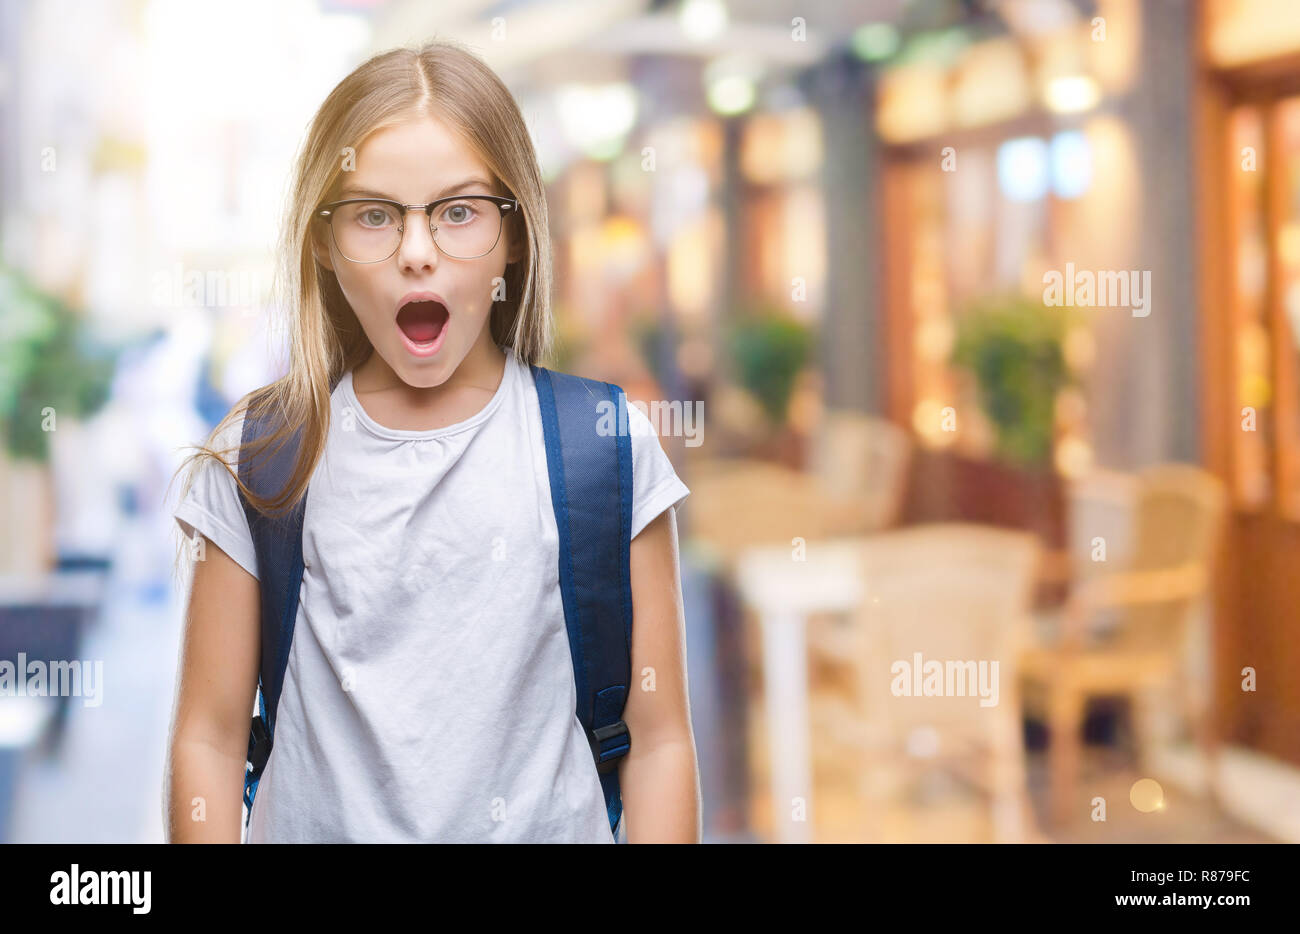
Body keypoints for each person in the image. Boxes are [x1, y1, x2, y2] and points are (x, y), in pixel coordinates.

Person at [164, 39, 699, 843]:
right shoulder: (263, 457)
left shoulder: (604, 445)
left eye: (458, 211)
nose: (417, 252)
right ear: (324, 243)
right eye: (374, 214)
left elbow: (658, 740)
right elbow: (205, 740)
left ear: (515, 235)